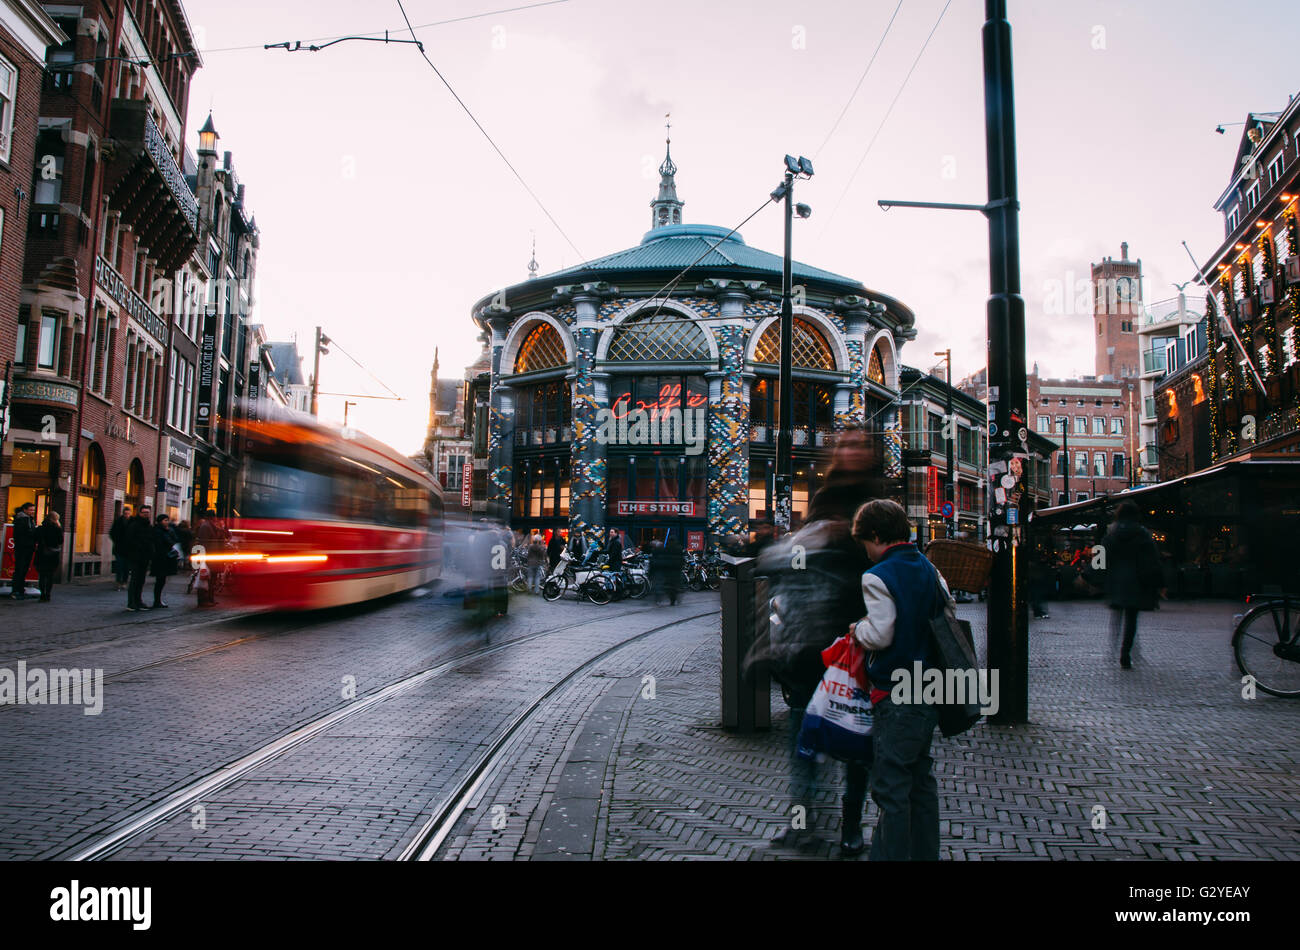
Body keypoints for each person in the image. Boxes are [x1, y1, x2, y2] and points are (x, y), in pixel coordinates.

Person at [753, 429, 880, 855]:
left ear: (869, 453)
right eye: (844, 444)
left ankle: (850, 826)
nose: (849, 450)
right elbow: (800, 558)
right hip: (813, 637)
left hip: (857, 635)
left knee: (854, 733)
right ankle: (802, 821)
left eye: (858, 444)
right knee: (803, 731)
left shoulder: (880, 499)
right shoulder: (825, 498)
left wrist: (840, 538)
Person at [850, 497, 949, 862]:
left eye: (865, 543)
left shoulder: (878, 576)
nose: (866, 552)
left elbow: (880, 635)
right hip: (930, 688)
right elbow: (946, 612)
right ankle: (926, 854)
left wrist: (857, 628)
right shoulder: (928, 567)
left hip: (895, 692)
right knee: (921, 781)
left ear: (876, 536)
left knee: (890, 788)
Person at [1101, 501, 1161, 670]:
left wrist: (1089, 577)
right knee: (1131, 620)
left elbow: (1101, 558)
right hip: (1136, 582)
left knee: (1116, 617)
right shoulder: (1142, 534)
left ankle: (1113, 648)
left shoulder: (1110, 533)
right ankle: (1125, 652)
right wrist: (1159, 582)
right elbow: (1153, 560)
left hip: (1115, 582)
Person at [194, 509, 228, 607]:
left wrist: (221, 529)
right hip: (209, 556)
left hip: (214, 556)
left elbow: (222, 537)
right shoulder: (206, 526)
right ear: (212, 517)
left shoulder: (213, 526)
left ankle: (210, 598)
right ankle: (203, 600)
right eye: (214, 516)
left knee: (212, 579)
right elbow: (204, 542)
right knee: (205, 579)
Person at [124, 505, 154, 611]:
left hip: (145, 557)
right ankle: (131, 602)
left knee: (141, 580)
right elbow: (129, 540)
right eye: (144, 512)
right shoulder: (134, 525)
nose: (146, 514)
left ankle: (138, 601)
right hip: (135, 556)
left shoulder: (148, 526)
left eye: (148, 512)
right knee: (135, 579)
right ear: (140, 513)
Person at [150, 513, 181, 608]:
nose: (167, 522)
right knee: (160, 580)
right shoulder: (157, 531)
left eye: (167, 520)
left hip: (167, 558)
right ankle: (157, 600)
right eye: (165, 520)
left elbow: (176, 539)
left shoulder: (170, 530)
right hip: (160, 558)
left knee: (162, 580)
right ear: (160, 521)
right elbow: (164, 542)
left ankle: (158, 600)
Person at [9, 502, 37, 599]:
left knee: (23, 569)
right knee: (20, 569)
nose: (32, 512)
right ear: (25, 510)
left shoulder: (29, 519)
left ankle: (20, 590)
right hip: (23, 548)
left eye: (33, 510)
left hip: (27, 547)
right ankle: (16, 591)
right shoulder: (22, 519)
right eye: (30, 510)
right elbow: (23, 534)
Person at [34, 510, 63, 602]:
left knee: (42, 575)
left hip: (42, 553)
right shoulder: (57, 529)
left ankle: (42, 595)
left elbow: (35, 539)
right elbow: (60, 541)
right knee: (50, 576)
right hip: (53, 554)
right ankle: (48, 595)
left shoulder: (40, 528)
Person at [109, 506, 132, 591]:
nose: (127, 515)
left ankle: (124, 582)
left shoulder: (132, 522)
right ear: (123, 513)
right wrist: (117, 541)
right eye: (126, 514)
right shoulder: (118, 521)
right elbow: (112, 533)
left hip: (128, 550)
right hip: (119, 549)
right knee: (119, 566)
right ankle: (118, 582)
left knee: (126, 567)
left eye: (128, 514)